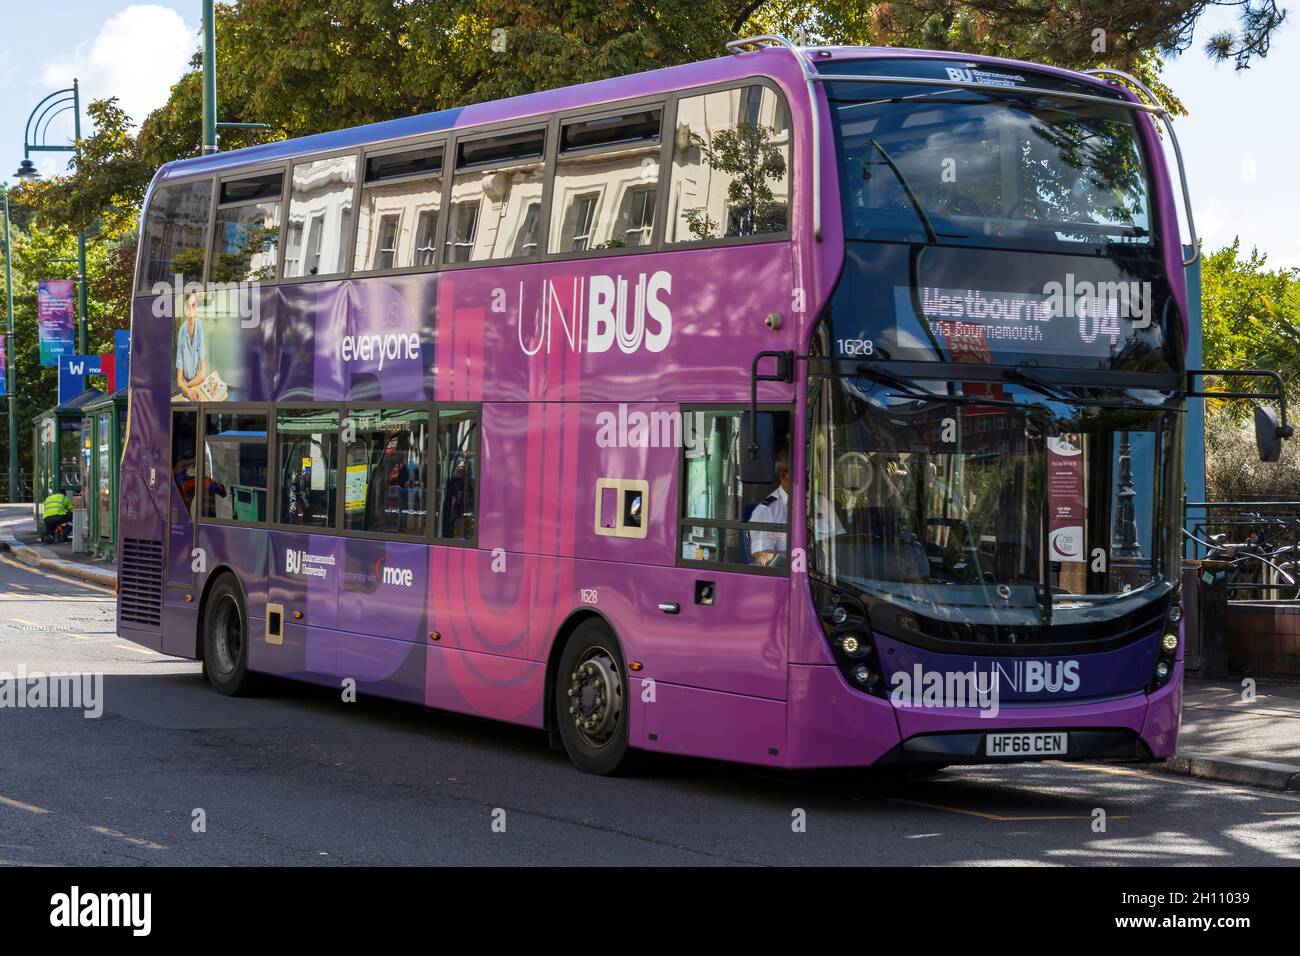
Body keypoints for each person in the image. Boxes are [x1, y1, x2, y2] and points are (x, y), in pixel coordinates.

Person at [749, 447, 844, 566]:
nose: (809, 478)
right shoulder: (766, 511)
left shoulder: (823, 503)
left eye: (810, 472)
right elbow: (763, 558)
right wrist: (801, 557)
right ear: (784, 476)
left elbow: (840, 546)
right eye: (804, 473)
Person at [175, 291, 207, 402]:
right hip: (186, 388)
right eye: (188, 305)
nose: (191, 308)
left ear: (196, 307)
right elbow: (179, 380)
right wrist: (187, 391)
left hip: (194, 385)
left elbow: (202, 375)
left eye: (193, 305)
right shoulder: (181, 332)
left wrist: (186, 387)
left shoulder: (200, 327)